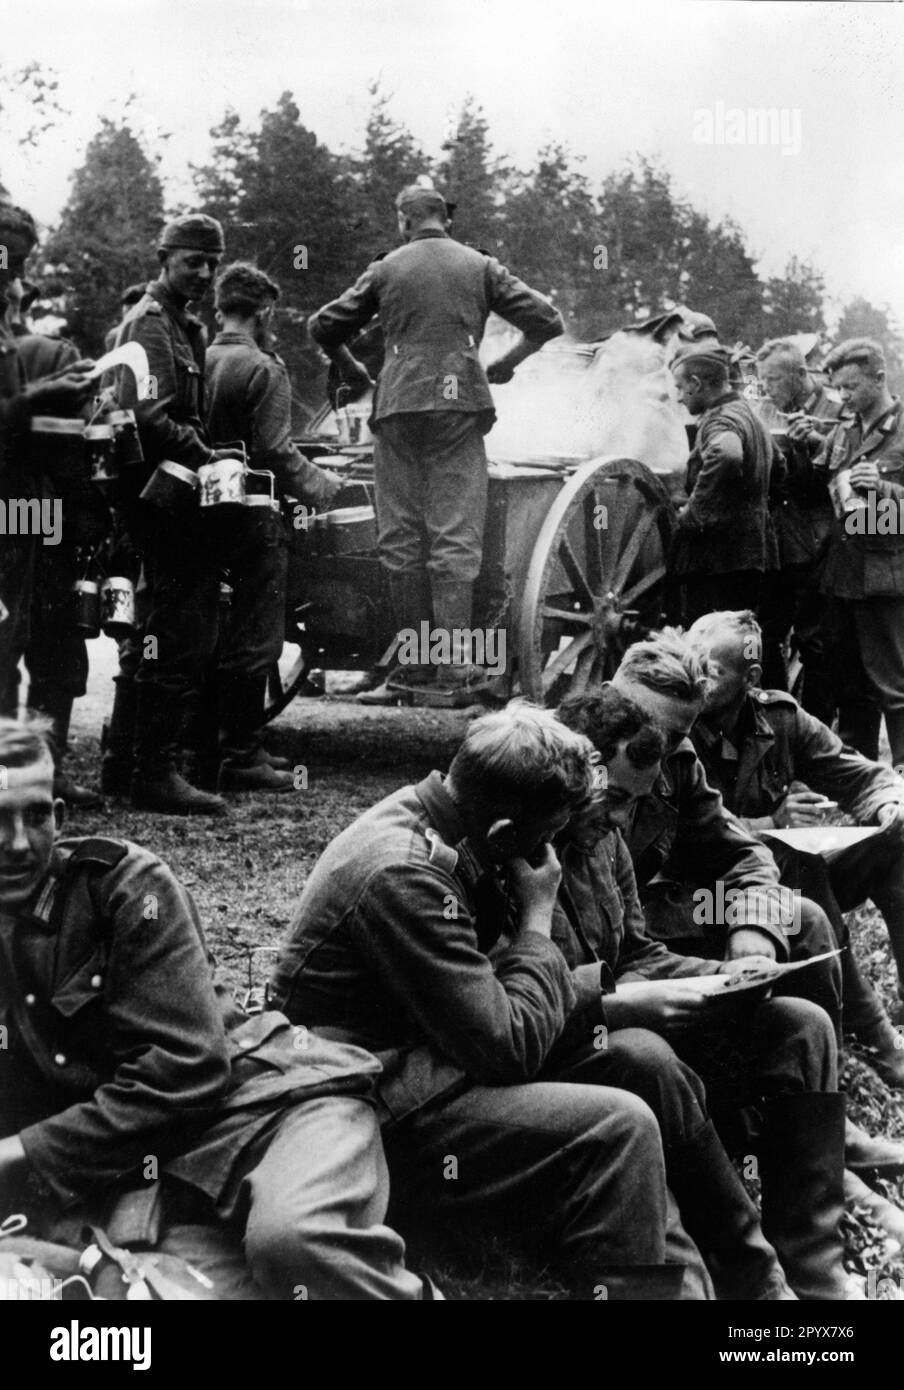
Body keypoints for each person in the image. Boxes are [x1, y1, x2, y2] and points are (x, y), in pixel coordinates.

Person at [270, 703, 710, 1300]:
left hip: (434, 1054)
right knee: (620, 1126)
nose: (550, 857)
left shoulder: (450, 820)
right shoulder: (405, 873)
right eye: (546, 839)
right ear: (506, 834)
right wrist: (536, 920)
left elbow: (493, 996)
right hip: (372, 1094)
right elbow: (507, 1048)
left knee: (637, 1062)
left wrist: (591, 996)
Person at [0, 716, 435, 1300]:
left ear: (58, 817)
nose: (21, 843)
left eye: (35, 815)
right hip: (149, 1173)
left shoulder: (124, 888)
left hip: (270, 1110)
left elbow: (189, 1069)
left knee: (295, 1242)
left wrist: (20, 1153)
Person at [554, 686, 847, 1299]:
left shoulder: (604, 837)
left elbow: (635, 951)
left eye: (632, 805)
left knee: (802, 1025)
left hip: (622, 1023)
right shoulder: (519, 844)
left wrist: (721, 981)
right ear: (575, 770)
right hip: (566, 1051)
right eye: (613, 800)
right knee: (643, 1054)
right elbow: (504, 1006)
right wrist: (619, 1004)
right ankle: (755, 1278)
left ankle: (817, 1274)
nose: (621, 820)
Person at [610, 626, 904, 1171]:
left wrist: (752, 925)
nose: (676, 748)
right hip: (636, 932)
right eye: (666, 734)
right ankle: (758, 1116)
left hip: (679, 910)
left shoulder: (680, 754)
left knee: (802, 917)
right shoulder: (574, 767)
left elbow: (743, 854)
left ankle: (825, 1115)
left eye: (682, 735)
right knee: (802, 902)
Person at [308, 184, 565, 701]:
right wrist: (503, 365)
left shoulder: (386, 269)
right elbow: (547, 321)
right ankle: (452, 670)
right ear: (444, 220)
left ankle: (413, 670)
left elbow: (322, 326)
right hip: (458, 408)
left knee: (400, 538)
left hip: (397, 408)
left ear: (404, 220)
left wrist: (356, 369)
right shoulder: (481, 267)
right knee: (454, 535)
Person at [687, 607, 904, 1083]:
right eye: (692, 664)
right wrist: (767, 823)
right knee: (793, 860)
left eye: (713, 672)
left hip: (776, 895)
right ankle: (878, 1044)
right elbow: (686, 841)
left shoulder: (778, 718)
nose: (696, 680)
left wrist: (887, 804)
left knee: (896, 850)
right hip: (708, 903)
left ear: (752, 677)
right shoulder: (676, 728)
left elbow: (860, 774)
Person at [110, 213, 227, 815]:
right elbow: (149, 417)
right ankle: (152, 773)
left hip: (169, 492)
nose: (204, 273)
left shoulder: (182, 325)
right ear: (163, 258)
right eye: (192, 262)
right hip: (165, 496)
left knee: (156, 626)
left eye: (212, 263)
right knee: (180, 631)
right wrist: (212, 458)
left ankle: (120, 763)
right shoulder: (152, 325)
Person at [3, 291, 101, 808]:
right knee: (56, 641)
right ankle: (46, 772)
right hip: (48, 511)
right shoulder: (55, 354)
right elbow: (76, 443)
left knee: (12, 641)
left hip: (16, 512)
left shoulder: (21, 355)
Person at [0, 203, 95, 730]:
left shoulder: (22, 351)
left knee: (19, 630)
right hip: (28, 505)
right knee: (32, 632)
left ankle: (28, 775)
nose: (14, 285)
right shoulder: (47, 353)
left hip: (25, 505)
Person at [814, 338, 904, 768]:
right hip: (845, 577)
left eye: (851, 387)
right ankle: (862, 781)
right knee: (851, 689)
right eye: (839, 390)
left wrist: (884, 489)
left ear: (880, 378)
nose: (844, 397)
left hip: (886, 580)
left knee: (895, 689)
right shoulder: (844, 430)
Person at [754, 339, 844, 713]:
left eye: (773, 380)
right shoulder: (768, 410)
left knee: (816, 641)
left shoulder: (839, 411)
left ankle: (820, 730)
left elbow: (847, 477)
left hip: (823, 545)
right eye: (764, 382)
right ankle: (781, 718)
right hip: (780, 543)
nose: (767, 389)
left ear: (800, 375)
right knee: (765, 633)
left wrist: (814, 445)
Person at [668, 342, 778, 624]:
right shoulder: (750, 414)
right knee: (741, 641)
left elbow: (727, 454)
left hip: (719, 559)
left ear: (696, 383)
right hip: (752, 552)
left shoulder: (719, 420)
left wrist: (695, 511)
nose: (679, 397)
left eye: (681, 388)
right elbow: (780, 468)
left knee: (711, 645)